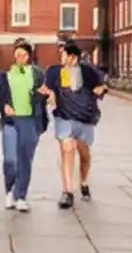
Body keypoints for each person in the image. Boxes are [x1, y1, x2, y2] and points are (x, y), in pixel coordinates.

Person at [40, 42, 108, 209]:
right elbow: (45, 89)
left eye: (65, 54)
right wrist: (48, 94)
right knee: (67, 148)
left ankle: (83, 181)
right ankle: (68, 191)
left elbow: (102, 85)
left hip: (85, 118)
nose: (62, 57)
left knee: (84, 153)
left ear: (73, 57)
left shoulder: (88, 71)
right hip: (64, 117)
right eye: (62, 53)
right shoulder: (54, 71)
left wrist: (101, 89)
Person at [0, 40, 48, 213]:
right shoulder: (4, 76)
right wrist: (3, 106)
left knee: (25, 160)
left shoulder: (37, 74)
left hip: (30, 120)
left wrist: (43, 95)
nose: (20, 57)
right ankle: (9, 191)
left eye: (24, 54)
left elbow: (45, 94)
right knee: (10, 160)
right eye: (17, 54)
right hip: (11, 121)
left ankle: (21, 195)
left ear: (29, 57)